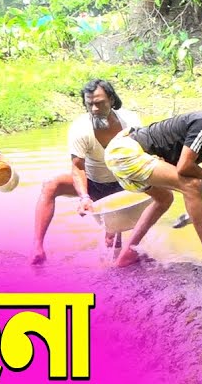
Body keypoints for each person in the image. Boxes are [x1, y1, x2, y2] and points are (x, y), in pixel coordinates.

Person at [103, 92, 202, 269]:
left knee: (165, 199)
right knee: (190, 185)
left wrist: (192, 208)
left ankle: (127, 254)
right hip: (125, 152)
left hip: (129, 157)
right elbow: (184, 168)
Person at [31, 79, 142, 265]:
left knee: (112, 243)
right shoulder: (80, 129)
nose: (95, 109)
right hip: (93, 183)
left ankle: (122, 253)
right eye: (89, 104)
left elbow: (143, 155)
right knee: (50, 185)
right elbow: (77, 167)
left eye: (99, 103)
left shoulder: (131, 121)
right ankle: (37, 248)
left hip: (123, 185)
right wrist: (84, 197)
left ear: (112, 100)